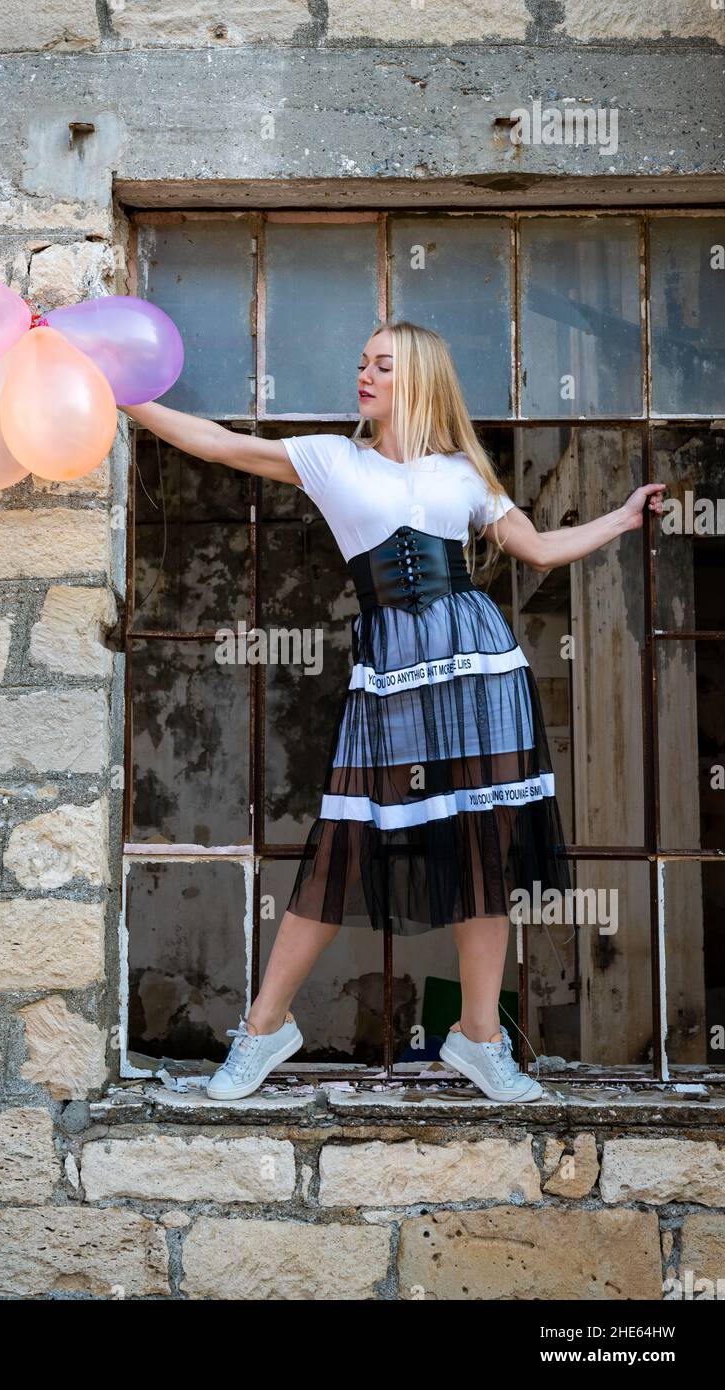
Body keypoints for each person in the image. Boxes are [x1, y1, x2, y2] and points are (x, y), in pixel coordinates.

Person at [119, 320, 666, 1105]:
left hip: (479, 666)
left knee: (484, 843)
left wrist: (620, 518)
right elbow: (213, 444)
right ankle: (263, 1028)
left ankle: (478, 1038)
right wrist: (122, 394)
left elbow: (537, 550)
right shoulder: (329, 458)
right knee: (345, 840)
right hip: (390, 674)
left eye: (382, 364)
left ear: (417, 378)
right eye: (360, 362)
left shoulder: (463, 473)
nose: (363, 375)